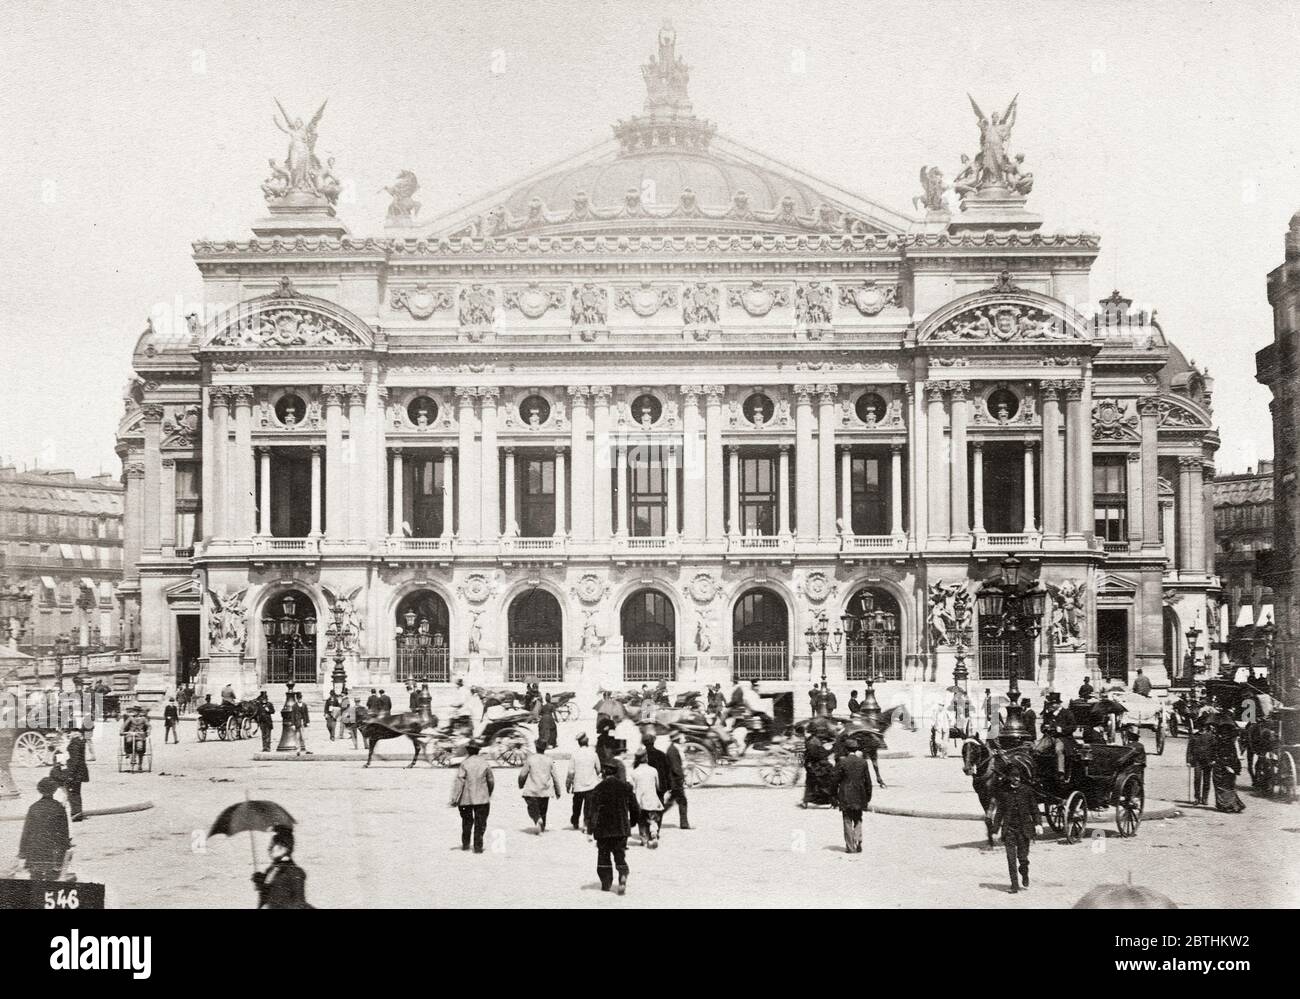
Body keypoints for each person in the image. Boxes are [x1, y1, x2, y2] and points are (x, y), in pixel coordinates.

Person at [991, 762, 1041, 893]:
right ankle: (1014, 885)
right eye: (1013, 776)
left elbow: (1034, 809)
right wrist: (995, 830)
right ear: (1009, 777)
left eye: (1018, 776)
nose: (1016, 778)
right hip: (1009, 830)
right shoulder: (1004, 793)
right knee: (1010, 858)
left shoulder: (1027, 791)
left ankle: (1024, 872)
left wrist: (1038, 824)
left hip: (1024, 830)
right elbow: (999, 812)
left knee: (1023, 858)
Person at [587, 761, 636, 893]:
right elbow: (635, 807)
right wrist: (632, 822)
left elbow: (592, 812)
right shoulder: (626, 787)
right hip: (621, 828)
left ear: (604, 773)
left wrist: (590, 829)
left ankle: (606, 883)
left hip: (603, 830)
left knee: (603, 856)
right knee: (619, 854)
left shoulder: (598, 789)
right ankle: (623, 874)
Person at [17, 777, 71, 881]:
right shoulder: (59, 808)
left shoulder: (33, 807)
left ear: (40, 790)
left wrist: (22, 852)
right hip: (53, 851)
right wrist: (65, 847)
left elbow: (26, 831)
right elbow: (64, 831)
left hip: (35, 850)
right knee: (52, 881)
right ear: (54, 790)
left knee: (35, 880)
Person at [450, 740, 495, 852]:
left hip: (466, 799)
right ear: (478, 751)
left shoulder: (464, 763)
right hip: (482, 799)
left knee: (466, 822)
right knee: (480, 824)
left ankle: (465, 845)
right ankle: (478, 847)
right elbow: (491, 780)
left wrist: (454, 798)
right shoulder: (485, 763)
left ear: (468, 751)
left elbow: (459, 781)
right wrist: (489, 793)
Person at [252, 825, 311, 909]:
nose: (269, 849)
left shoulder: (295, 872)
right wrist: (261, 883)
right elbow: (266, 896)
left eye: (273, 845)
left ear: (285, 848)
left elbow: (299, 903)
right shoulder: (271, 870)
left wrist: (271, 906)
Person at [830, 740, 873, 853]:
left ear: (846, 749)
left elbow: (834, 781)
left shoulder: (842, 762)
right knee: (858, 818)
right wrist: (868, 796)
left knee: (847, 820)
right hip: (860, 794)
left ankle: (850, 847)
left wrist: (833, 796)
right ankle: (858, 840)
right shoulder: (863, 762)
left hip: (845, 794)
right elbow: (868, 782)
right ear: (856, 749)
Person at [518, 739, 561, 833]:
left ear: (536, 747)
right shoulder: (549, 760)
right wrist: (558, 791)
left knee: (532, 807)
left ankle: (537, 819)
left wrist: (520, 784)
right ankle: (542, 827)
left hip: (532, 790)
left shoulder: (530, 759)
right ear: (545, 748)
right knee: (543, 809)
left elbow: (522, 775)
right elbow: (555, 777)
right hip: (546, 790)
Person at [567, 732, 602, 834]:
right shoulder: (593, 754)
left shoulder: (574, 755)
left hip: (578, 785)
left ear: (578, 743)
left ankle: (575, 821)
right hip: (591, 785)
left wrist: (568, 784)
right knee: (588, 807)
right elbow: (598, 769)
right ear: (587, 742)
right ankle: (586, 825)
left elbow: (571, 772)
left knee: (576, 805)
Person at [1211, 722, 1246, 813]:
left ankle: (1225, 805)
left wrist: (1227, 765)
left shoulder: (1220, 741)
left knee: (1222, 786)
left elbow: (1217, 754)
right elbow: (1235, 756)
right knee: (1229, 786)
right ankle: (1231, 805)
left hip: (1222, 766)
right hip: (1228, 765)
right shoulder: (1231, 743)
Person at [630, 748, 662, 848]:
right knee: (652, 818)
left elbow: (632, 788)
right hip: (652, 799)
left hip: (640, 801)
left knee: (641, 821)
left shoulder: (634, 773)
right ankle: (653, 832)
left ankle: (644, 839)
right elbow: (658, 786)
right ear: (646, 758)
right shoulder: (653, 770)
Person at [664, 730, 692, 830]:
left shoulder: (675, 748)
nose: (684, 739)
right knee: (682, 801)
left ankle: (656, 816)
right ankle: (684, 824)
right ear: (678, 739)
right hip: (675, 781)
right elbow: (676, 768)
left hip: (675, 780)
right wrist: (683, 779)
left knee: (671, 801)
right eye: (682, 737)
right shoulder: (672, 750)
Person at [642, 734, 671, 831]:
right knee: (659, 807)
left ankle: (647, 830)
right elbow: (668, 771)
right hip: (660, 787)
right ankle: (656, 829)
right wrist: (668, 786)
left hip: (646, 786)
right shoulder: (661, 754)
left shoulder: (641, 756)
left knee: (645, 808)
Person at [802, 722, 835, 806]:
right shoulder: (813, 740)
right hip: (816, 766)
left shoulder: (812, 741)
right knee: (824, 781)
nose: (805, 734)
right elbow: (819, 754)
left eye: (806, 732)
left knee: (813, 784)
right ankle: (831, 800)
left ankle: (807, 801)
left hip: (814, 766)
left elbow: (815, 754)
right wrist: (831, 750)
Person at [62, 725, 90, 822]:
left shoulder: (74, 743)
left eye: (70, 732)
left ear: (75, 732)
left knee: (72, 792)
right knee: (77, 792)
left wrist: (70, 774)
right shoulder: (81, 741)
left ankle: (75, 813)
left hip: (75, 772)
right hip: (81, 771)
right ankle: (78, 812)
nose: (68, 734)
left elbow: (75, 760)